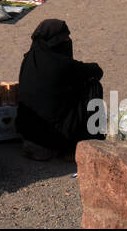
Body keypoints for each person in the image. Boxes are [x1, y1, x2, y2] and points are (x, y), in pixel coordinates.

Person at [16, 19, 105, 160]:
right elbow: (96, 71)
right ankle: (92, 142)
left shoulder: (30, 58)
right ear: (56, 40)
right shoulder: (61, 65)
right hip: (52, 139)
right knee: (93, 86)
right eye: (65, 37)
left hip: (28, 133)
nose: (68, 41)